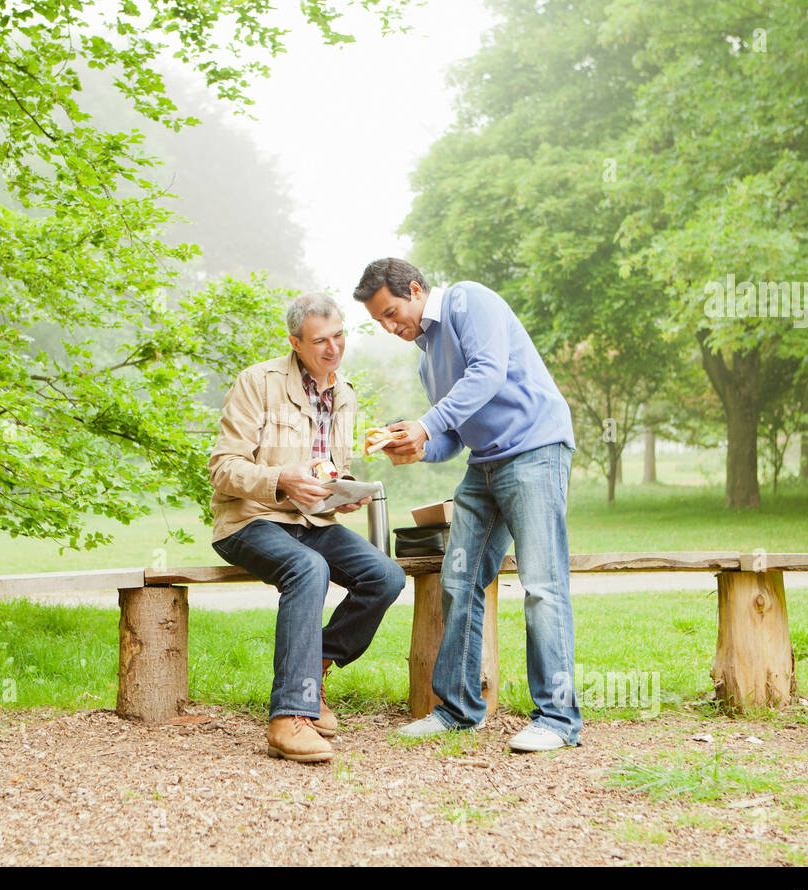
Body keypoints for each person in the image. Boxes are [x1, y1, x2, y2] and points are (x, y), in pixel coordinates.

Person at [354, 258, 582, 752]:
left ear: (415, 289)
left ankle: (559, 719)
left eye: (392, 313)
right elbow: (453, 435)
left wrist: (426, 424)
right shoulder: (425, 357)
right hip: (484, 464)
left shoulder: (468, 300)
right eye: (379, 322)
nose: (391, 327)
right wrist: (417, 447)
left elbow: (487, 374)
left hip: (535, 449)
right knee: (458, 579)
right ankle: (458, 711)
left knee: (542, 584)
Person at [209, 291, 406, 762]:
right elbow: (222, 469)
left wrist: (344, 490)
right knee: (309, 567)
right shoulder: (257, 382)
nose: (332, 348)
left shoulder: (345, 394)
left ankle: (313, 667)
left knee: (386, 576)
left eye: (338, 336)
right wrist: (281, 480)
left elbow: (329, 468)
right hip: (249, 520)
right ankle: (288, 719)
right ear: (295, 342)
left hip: (311, 520)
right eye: (320, 341)